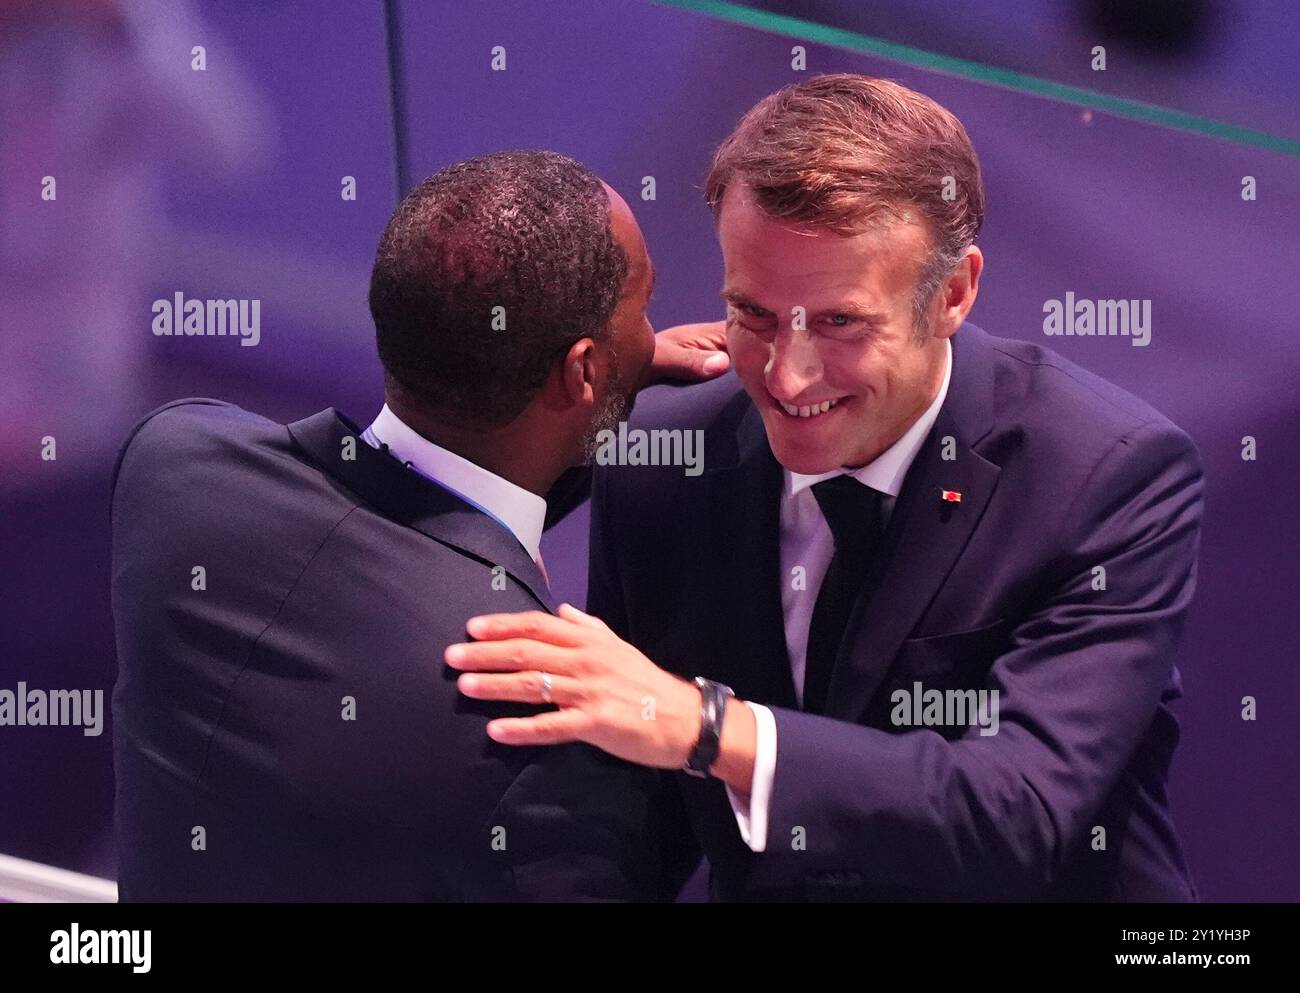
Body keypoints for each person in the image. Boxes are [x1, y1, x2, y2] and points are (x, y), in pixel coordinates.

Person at [447, 76, 1204, 901]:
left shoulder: (1107, 475)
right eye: (754, 313)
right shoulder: (664, 459)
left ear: (952, 293)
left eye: (840, 322)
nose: (786, 374)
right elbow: (635, 819)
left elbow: (1016, 811)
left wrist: (707, 726)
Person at [110, 149, 726, 900]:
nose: (653, 329)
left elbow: (434, 508)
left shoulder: (173, 469)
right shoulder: (539, 733)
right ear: (581, 370)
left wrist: (610, 381)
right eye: (644, 307)